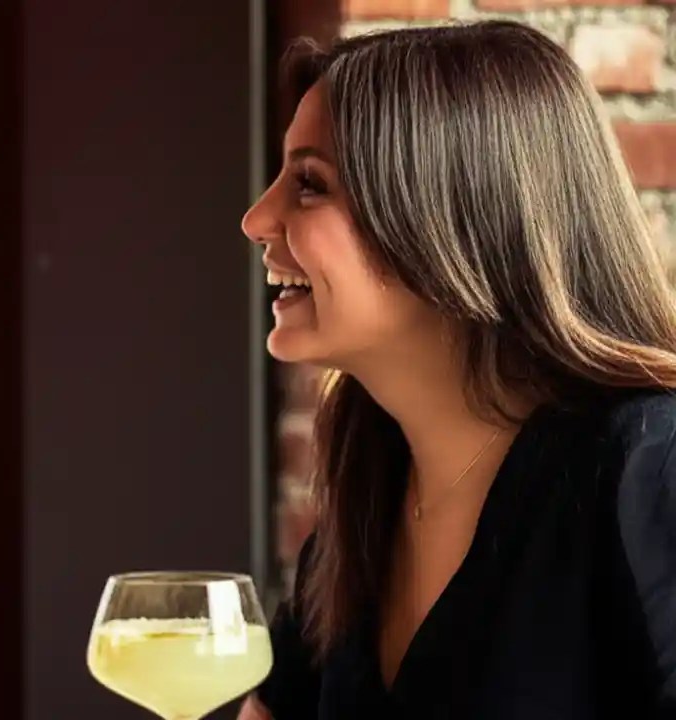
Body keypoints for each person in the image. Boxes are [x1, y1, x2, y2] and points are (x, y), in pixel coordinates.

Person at [237, 20, 676, 719]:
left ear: (448, 218)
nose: (258, 219)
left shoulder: (648, 465)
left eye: (310, 185)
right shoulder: (361, 506)